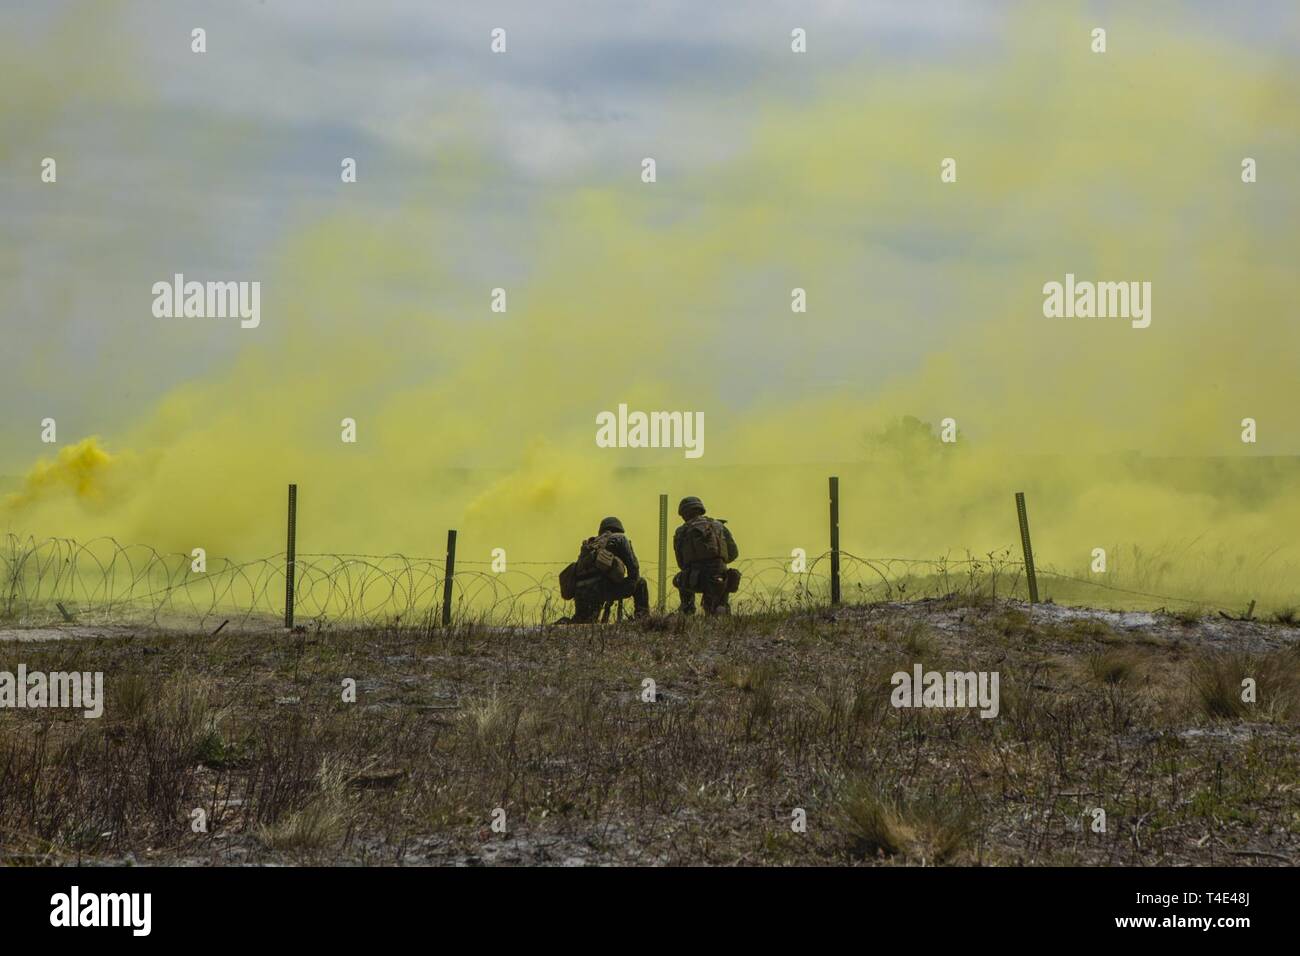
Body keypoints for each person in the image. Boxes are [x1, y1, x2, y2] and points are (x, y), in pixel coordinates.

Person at [568, 516, 650, 623]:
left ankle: (558, 626)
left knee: (581, 624)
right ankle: (642, 619)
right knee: (641, 583)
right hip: (602, 589)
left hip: (581, 593)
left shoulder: (590, 545)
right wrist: (629, 584)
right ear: (619, 528)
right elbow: (633, 567)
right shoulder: (620, 538)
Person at [672, 496, 739, 615]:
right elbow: (734, 553)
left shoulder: (681, 531)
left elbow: (681, 563)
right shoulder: (719, 526)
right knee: (723, 579)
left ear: (684, 514)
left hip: (695, 579)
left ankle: (687, 607)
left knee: (679, 579)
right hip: (720, 577)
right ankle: (721, 606)